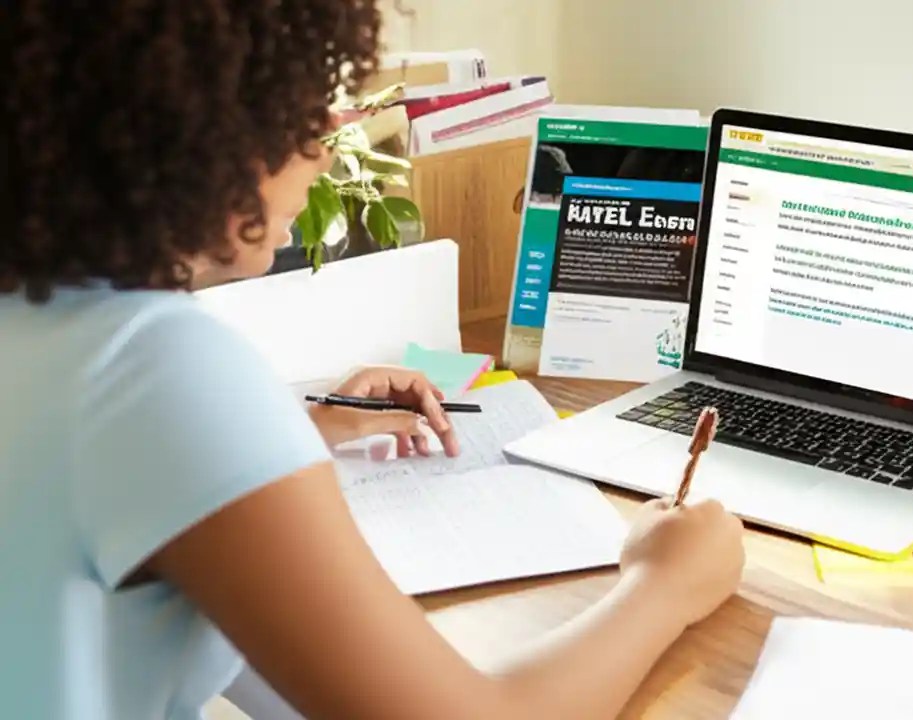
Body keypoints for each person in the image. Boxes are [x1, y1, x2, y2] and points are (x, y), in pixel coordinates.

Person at [0, 2, 745, 718]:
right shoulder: (154, 370)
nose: (325, 139)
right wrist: (663, 583)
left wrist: (298, 431)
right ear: (175, 126)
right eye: (289, 102)